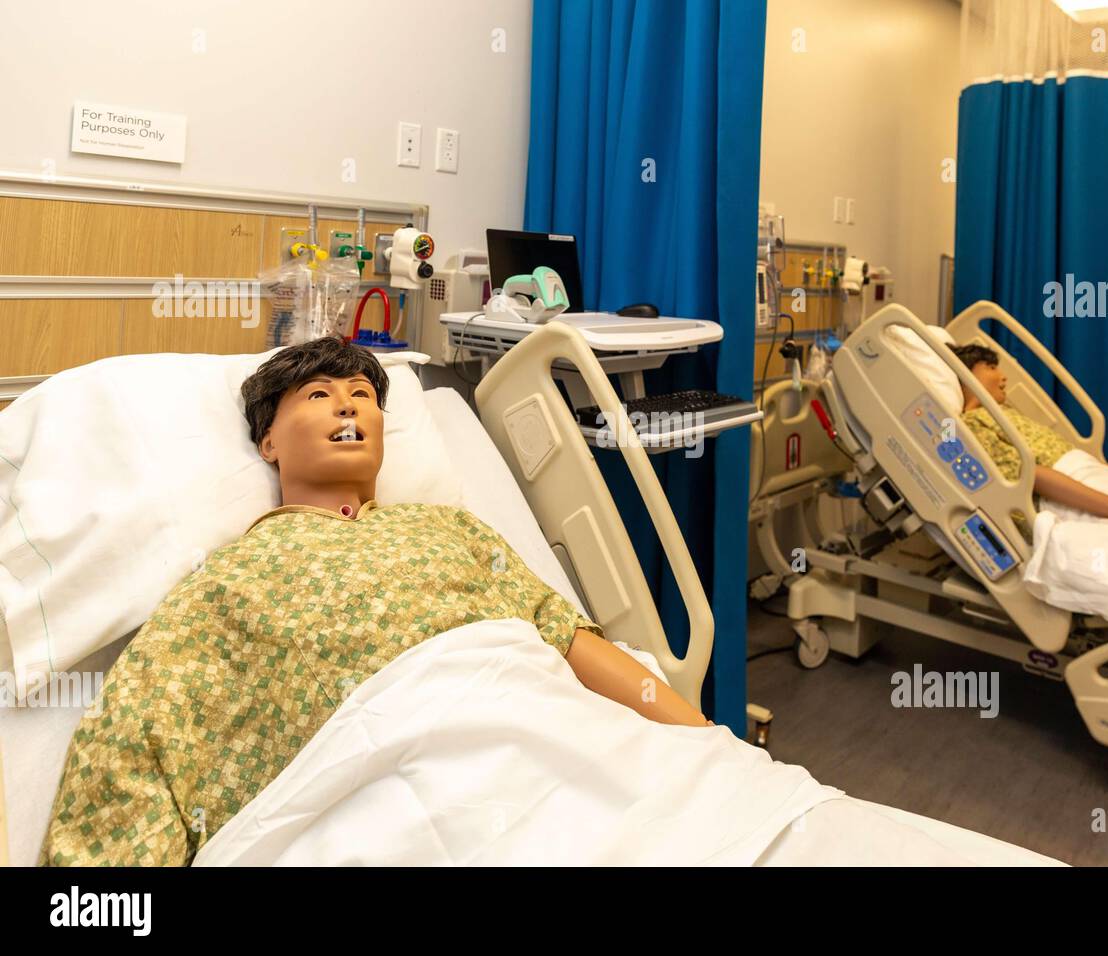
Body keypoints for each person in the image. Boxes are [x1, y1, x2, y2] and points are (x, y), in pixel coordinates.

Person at [41, 337, 709, 866]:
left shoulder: (451, 527)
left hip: (564, 753)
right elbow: (133, 739)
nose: (349, 408)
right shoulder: (228, 579)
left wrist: (701, 742)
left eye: (362, 395)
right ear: (268, 442)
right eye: (319, 395)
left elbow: (564, 636)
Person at [950, 344, 1108, 541]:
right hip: (1069, 497)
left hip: (1089, 480)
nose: (1004, 377)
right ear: (964, 375)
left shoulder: (1005, 414)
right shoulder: (972, 424)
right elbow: (1033, 475)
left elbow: (1090, 466)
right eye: (992, 367)